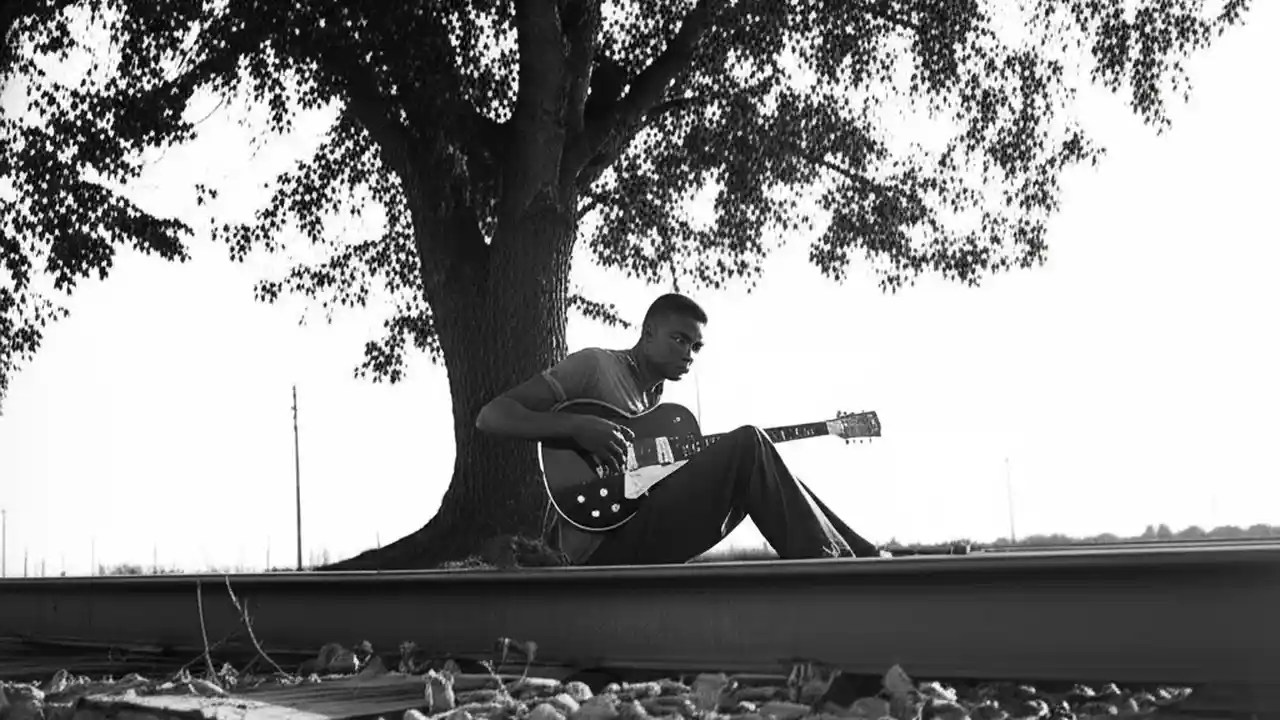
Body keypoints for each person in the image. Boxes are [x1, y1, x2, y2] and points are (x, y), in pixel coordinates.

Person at [474, 292, 883, 566]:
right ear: (648, 334)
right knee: (749, 444)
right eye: (679, 339)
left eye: (696, 346)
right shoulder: (596, 366)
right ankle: (835, 565)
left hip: (642, 532)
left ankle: (860, 558)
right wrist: (577, 426)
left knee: (756, 462)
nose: (689, 353)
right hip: (597, 552)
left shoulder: (659, 409)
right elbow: (492, 415)